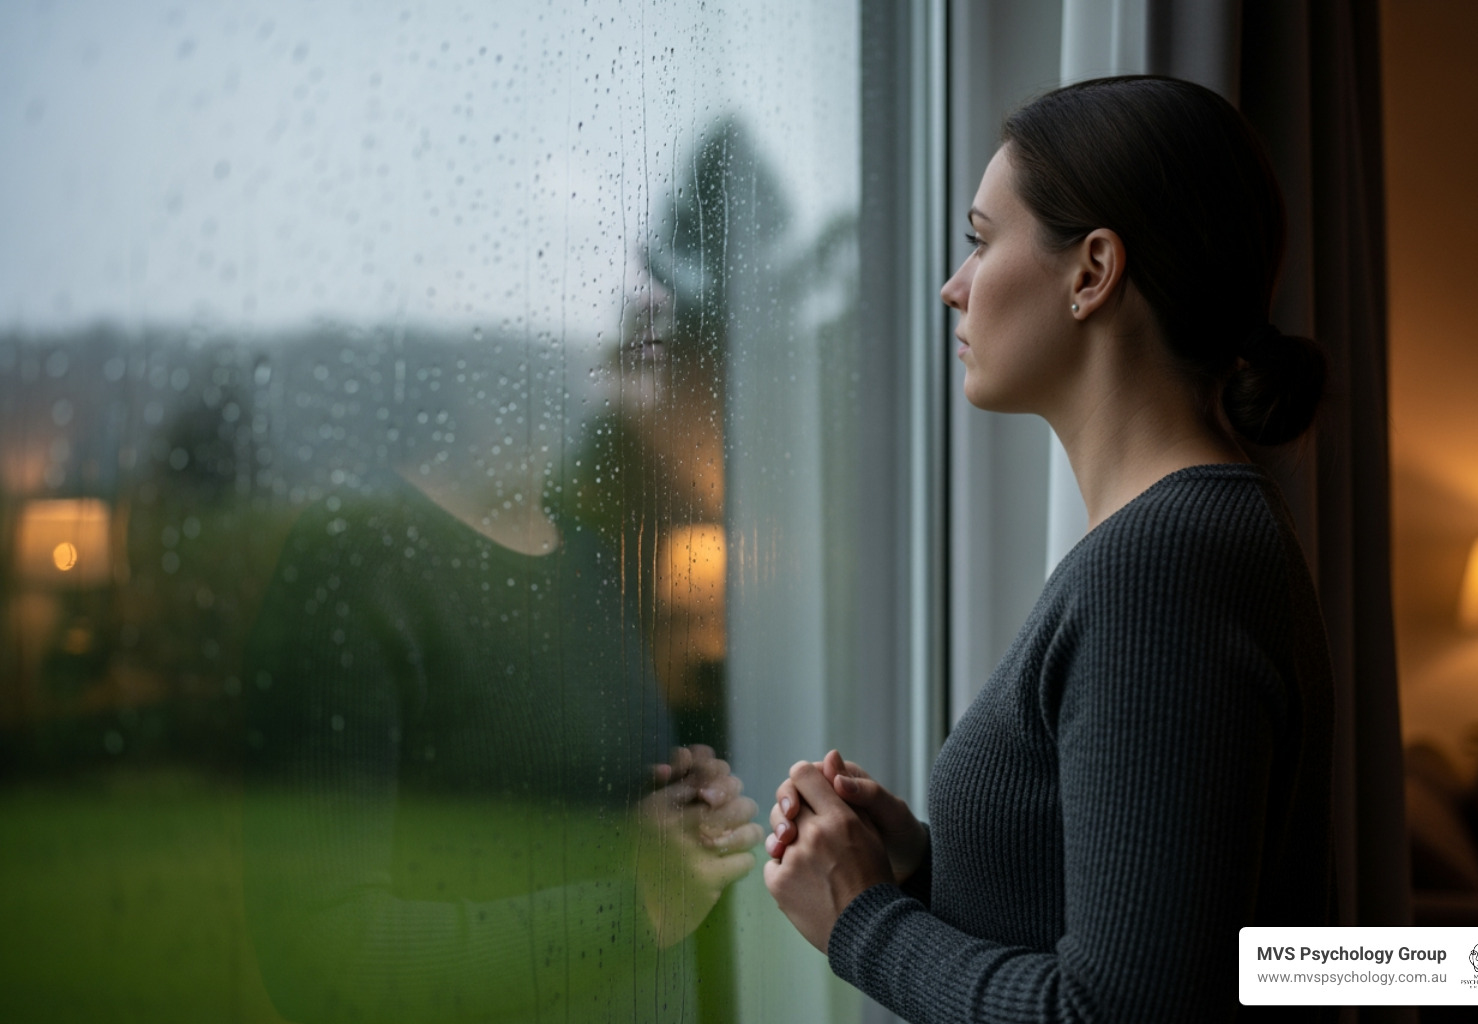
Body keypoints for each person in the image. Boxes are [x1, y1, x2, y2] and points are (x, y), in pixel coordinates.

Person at [763, 75, 1335, 1022]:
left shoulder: (1164, 567)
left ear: (1093, 272)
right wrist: (923, 864)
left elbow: (1122, 1013)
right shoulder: (1210, 535)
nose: (955, 287)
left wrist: (860, 920)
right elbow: (1204, 944)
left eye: (982, 242)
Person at [242, 397, 762, 1023]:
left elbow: (566, 821)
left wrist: (683, 811)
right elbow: (323, 952)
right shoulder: (356, 555)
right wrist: (636, 909)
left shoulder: (587, 555)